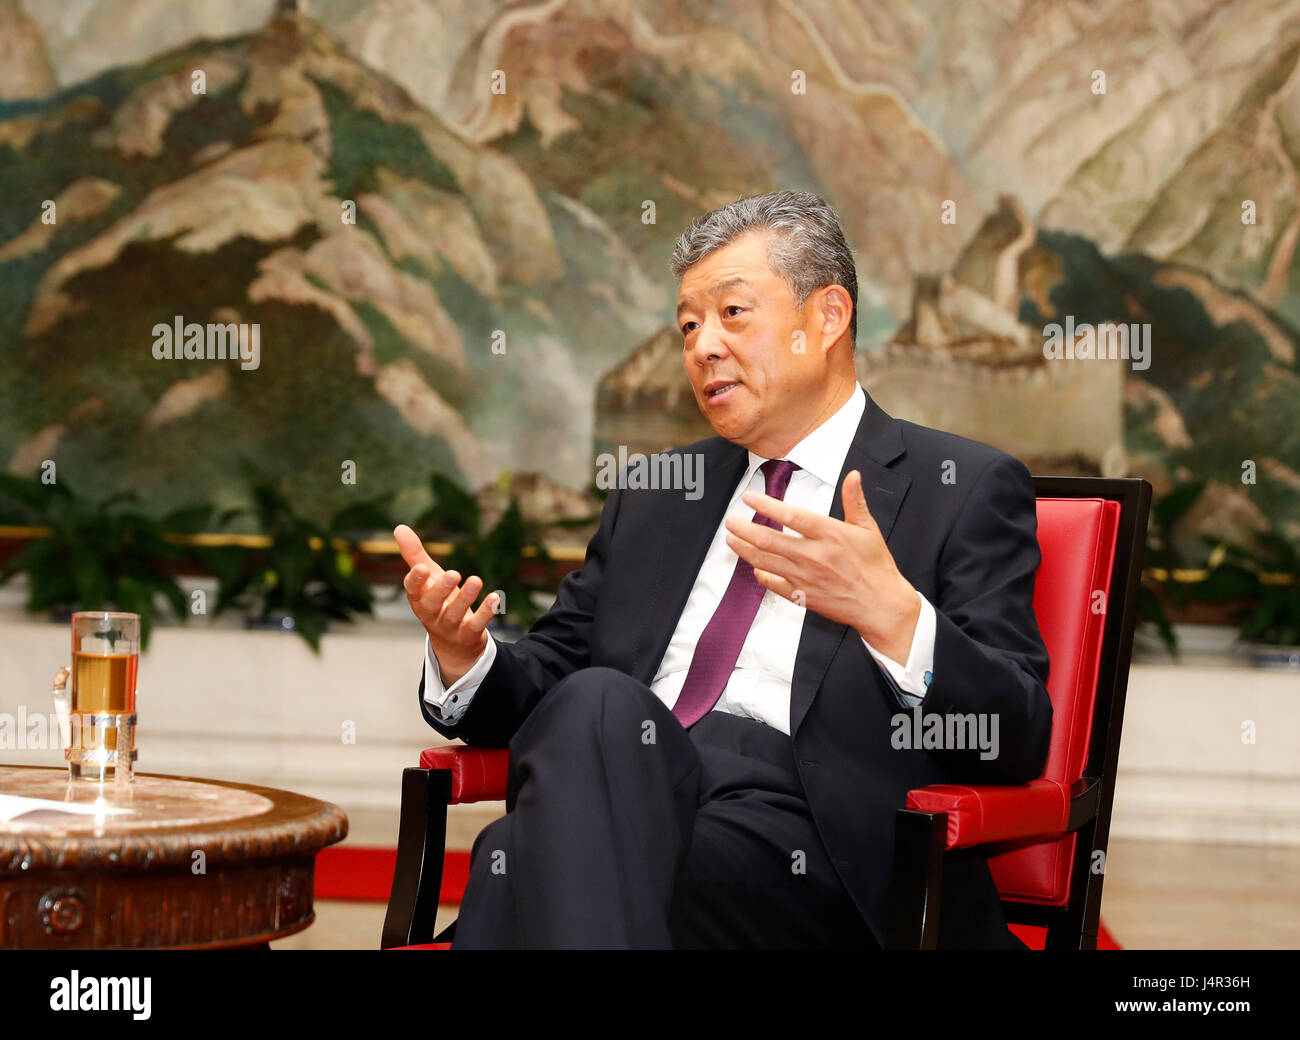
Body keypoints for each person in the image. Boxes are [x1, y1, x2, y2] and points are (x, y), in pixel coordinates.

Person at [395, 189, 1052, 949]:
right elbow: (553, 685)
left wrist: (894, 618)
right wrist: (464, 657)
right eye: (688, 326)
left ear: (828, 317)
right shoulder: (657, 494)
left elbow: (1013, 736)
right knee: (597, 711)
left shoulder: (960, 487)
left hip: (821, 852)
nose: (702, 346)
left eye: (732, 314)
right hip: (644, 789)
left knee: (514, 859)